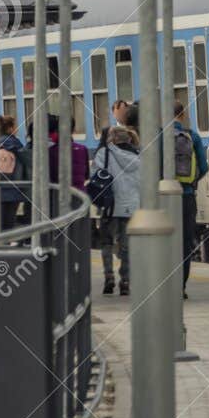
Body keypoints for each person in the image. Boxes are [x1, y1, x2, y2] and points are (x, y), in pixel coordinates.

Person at [93, 126, 140, 296]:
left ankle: (109, 277)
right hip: (131, 207)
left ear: (112, 139)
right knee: (127, 246)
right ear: (128, 139)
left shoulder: (103, 154)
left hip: (109, 206)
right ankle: (125, 281)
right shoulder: (138, 156)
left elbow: (95, 177)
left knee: (106, 243)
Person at [171, 101, 208, 299]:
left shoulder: (158, 137)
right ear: (182, 114)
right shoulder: (192, 137)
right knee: (185, 243)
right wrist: (191, 182)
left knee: (166, 243)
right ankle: (181, 286)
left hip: (165, 200)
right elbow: (204, 166)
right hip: (186, 197)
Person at [0, 115, 28, 230]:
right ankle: (7, 243)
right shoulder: (16, 145)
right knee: (9, 221)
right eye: (15, 127)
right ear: (9, 128)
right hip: (14, 187)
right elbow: (26, 162)